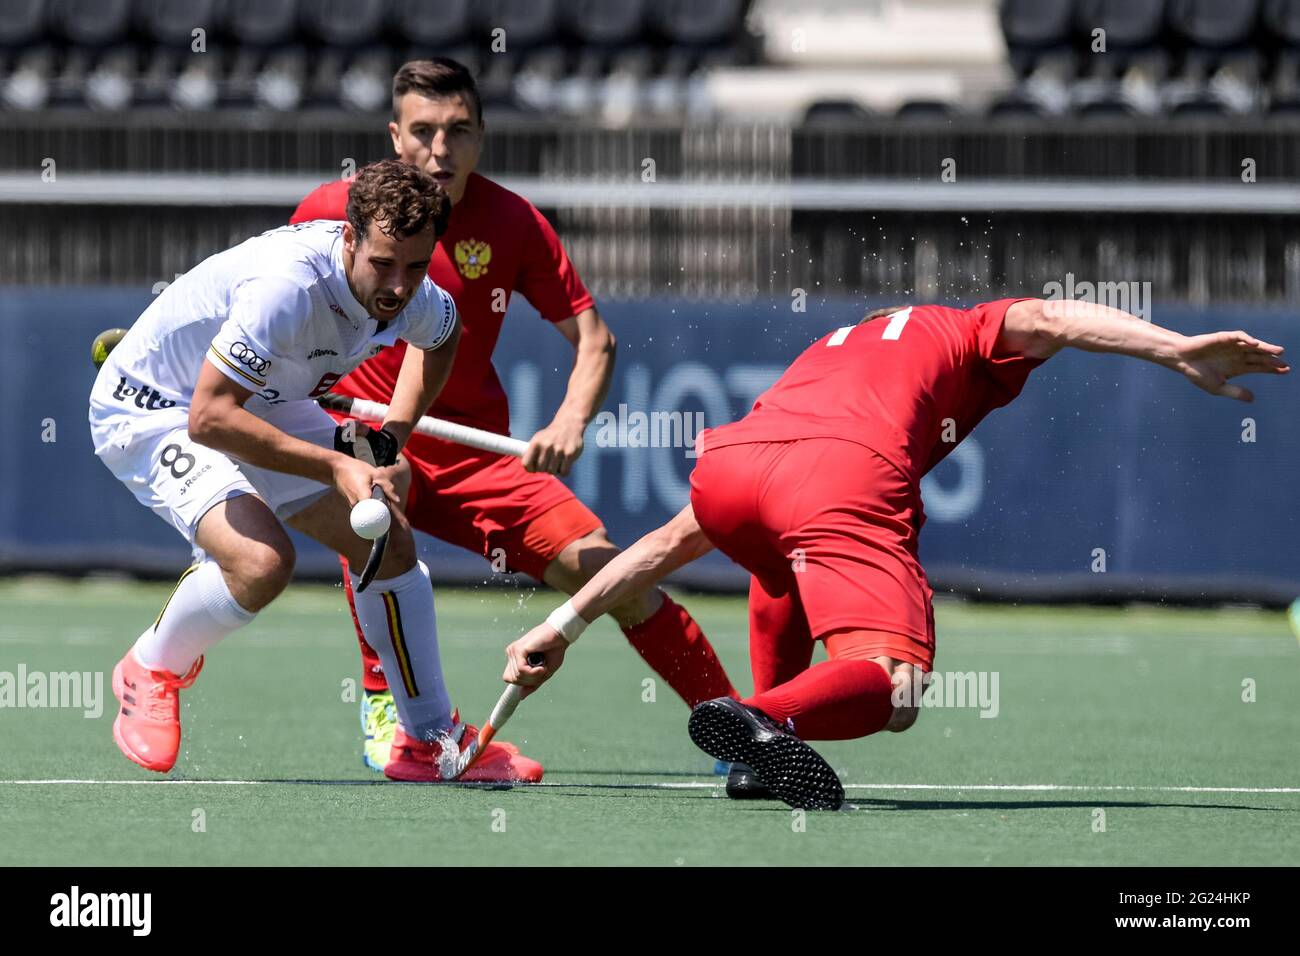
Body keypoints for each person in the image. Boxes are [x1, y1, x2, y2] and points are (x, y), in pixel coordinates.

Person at [500, 297, 1290, 809]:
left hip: (733, 465)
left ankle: (757, 759)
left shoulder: (830, 349)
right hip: (842, 474)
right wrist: (1175, 348)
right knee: (897, 687)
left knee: (780, 559)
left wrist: (562, 624)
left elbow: (673, 541)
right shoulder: (968, 326)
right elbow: (1052, 317)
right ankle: (758, 717)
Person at [291, 58, 736, 771]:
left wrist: (569, 421)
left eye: (459, 131)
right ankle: (384, 703)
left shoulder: (512, 221)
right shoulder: (327, 207)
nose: (441, 150)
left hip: (479, 455)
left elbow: (594, 338)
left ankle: (734, 728)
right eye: (424, 131)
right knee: (378, 494)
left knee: (611, 575)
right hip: (374, 437)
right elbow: (270, 306)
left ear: (482, 136)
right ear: (394, 136)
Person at [89, 159, 540, 783]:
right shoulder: (288, 289)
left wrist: (389, 442)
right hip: (153, 407)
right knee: (261, 563)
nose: (398, 287)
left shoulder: (412, 291)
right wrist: (336, 466)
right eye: (383, 264)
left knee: (389, 544)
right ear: (350, 238)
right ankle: (150, 666)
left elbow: (442, 338)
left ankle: (429, 742)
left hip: (264, 398)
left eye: (415, 266)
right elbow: (210, 420)